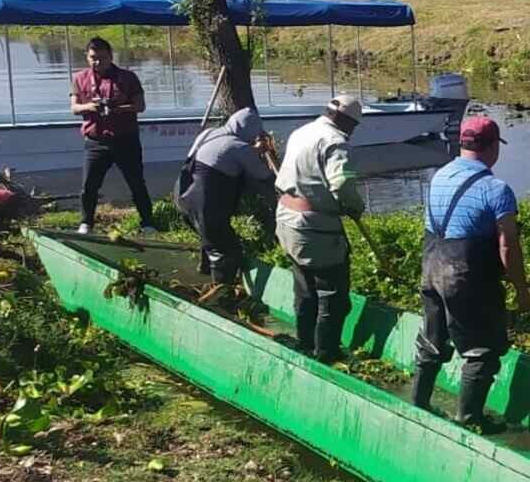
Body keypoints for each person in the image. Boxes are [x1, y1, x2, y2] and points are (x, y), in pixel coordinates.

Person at [411, 116, 530, 431]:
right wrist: (521, 291)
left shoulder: (439, 175)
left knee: (432, 340)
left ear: (463, 144)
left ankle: (418, 403)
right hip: (464, 275)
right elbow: (508, 248)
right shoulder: (497, 189)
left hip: (431, 268)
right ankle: (470, 419)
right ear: (492, 147)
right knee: (482, 350)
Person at [275, 94, 366, 362]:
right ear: (345, 121)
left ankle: (305, 344)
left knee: (304, 288)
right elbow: (342, 184)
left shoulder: (301, 132)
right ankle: (327, 353)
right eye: (353, 125)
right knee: (333, 294)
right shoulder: (336, 143)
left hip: (286, 219)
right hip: (313, 228)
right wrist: (355, 206)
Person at [176, 107, 276, 293]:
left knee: (211, 238)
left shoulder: (210, 133)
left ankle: (205, 270)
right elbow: (264, 176)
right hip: (204, 205)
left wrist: (251, 151)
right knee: (227, 252)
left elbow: (225, 153)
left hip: (184, 197)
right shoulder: (240, 147)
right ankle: (222, 295)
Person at [69, 36, 156, 235]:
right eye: (93, 58)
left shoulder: (128, 77)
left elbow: (140, 106)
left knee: (136, 182)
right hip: (96, 141)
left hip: (125, 139)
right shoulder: (79, 78)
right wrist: (90, 106)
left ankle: (148, 222)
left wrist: (117, 108)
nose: (97, 62)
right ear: (87, 57)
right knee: (88, 185)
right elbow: (74, 108)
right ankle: (86, 223)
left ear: (110, 56)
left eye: (101, 58)